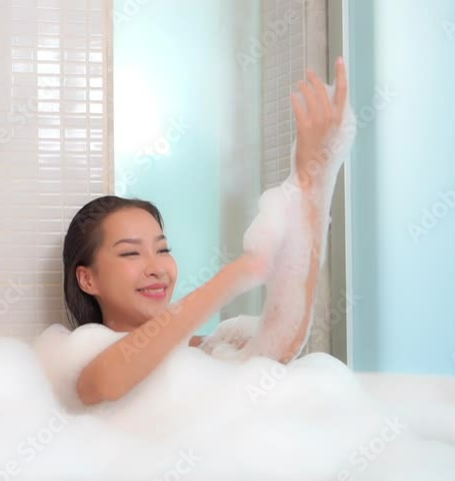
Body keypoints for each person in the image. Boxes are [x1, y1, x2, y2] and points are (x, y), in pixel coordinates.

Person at [57, 59, 350, 407]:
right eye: (131, 253)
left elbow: (280, 345)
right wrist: (233, 276)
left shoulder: (203, 352)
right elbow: (105, 383)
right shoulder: (83, 362)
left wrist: (311, 181)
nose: (156, 267)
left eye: (163, 250)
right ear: (87, 279)